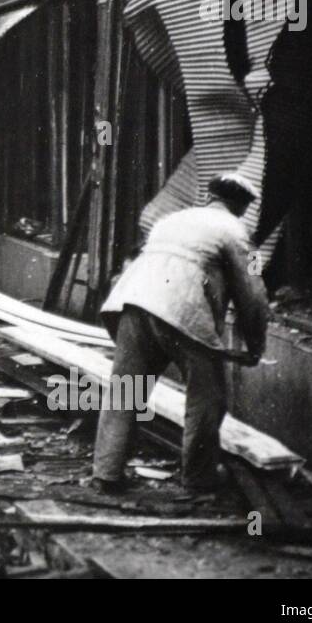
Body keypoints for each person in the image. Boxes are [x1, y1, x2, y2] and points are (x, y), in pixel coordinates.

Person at [92, 172, 269, 495]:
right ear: (241, 206)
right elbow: (253, 294)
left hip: (134, 301)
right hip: (182, 310)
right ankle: (199, 476)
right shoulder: (236, 231)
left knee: (126, 391)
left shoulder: (171, 220)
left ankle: (106, 472)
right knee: (207, 396)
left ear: (210, 195)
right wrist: (256, 344)